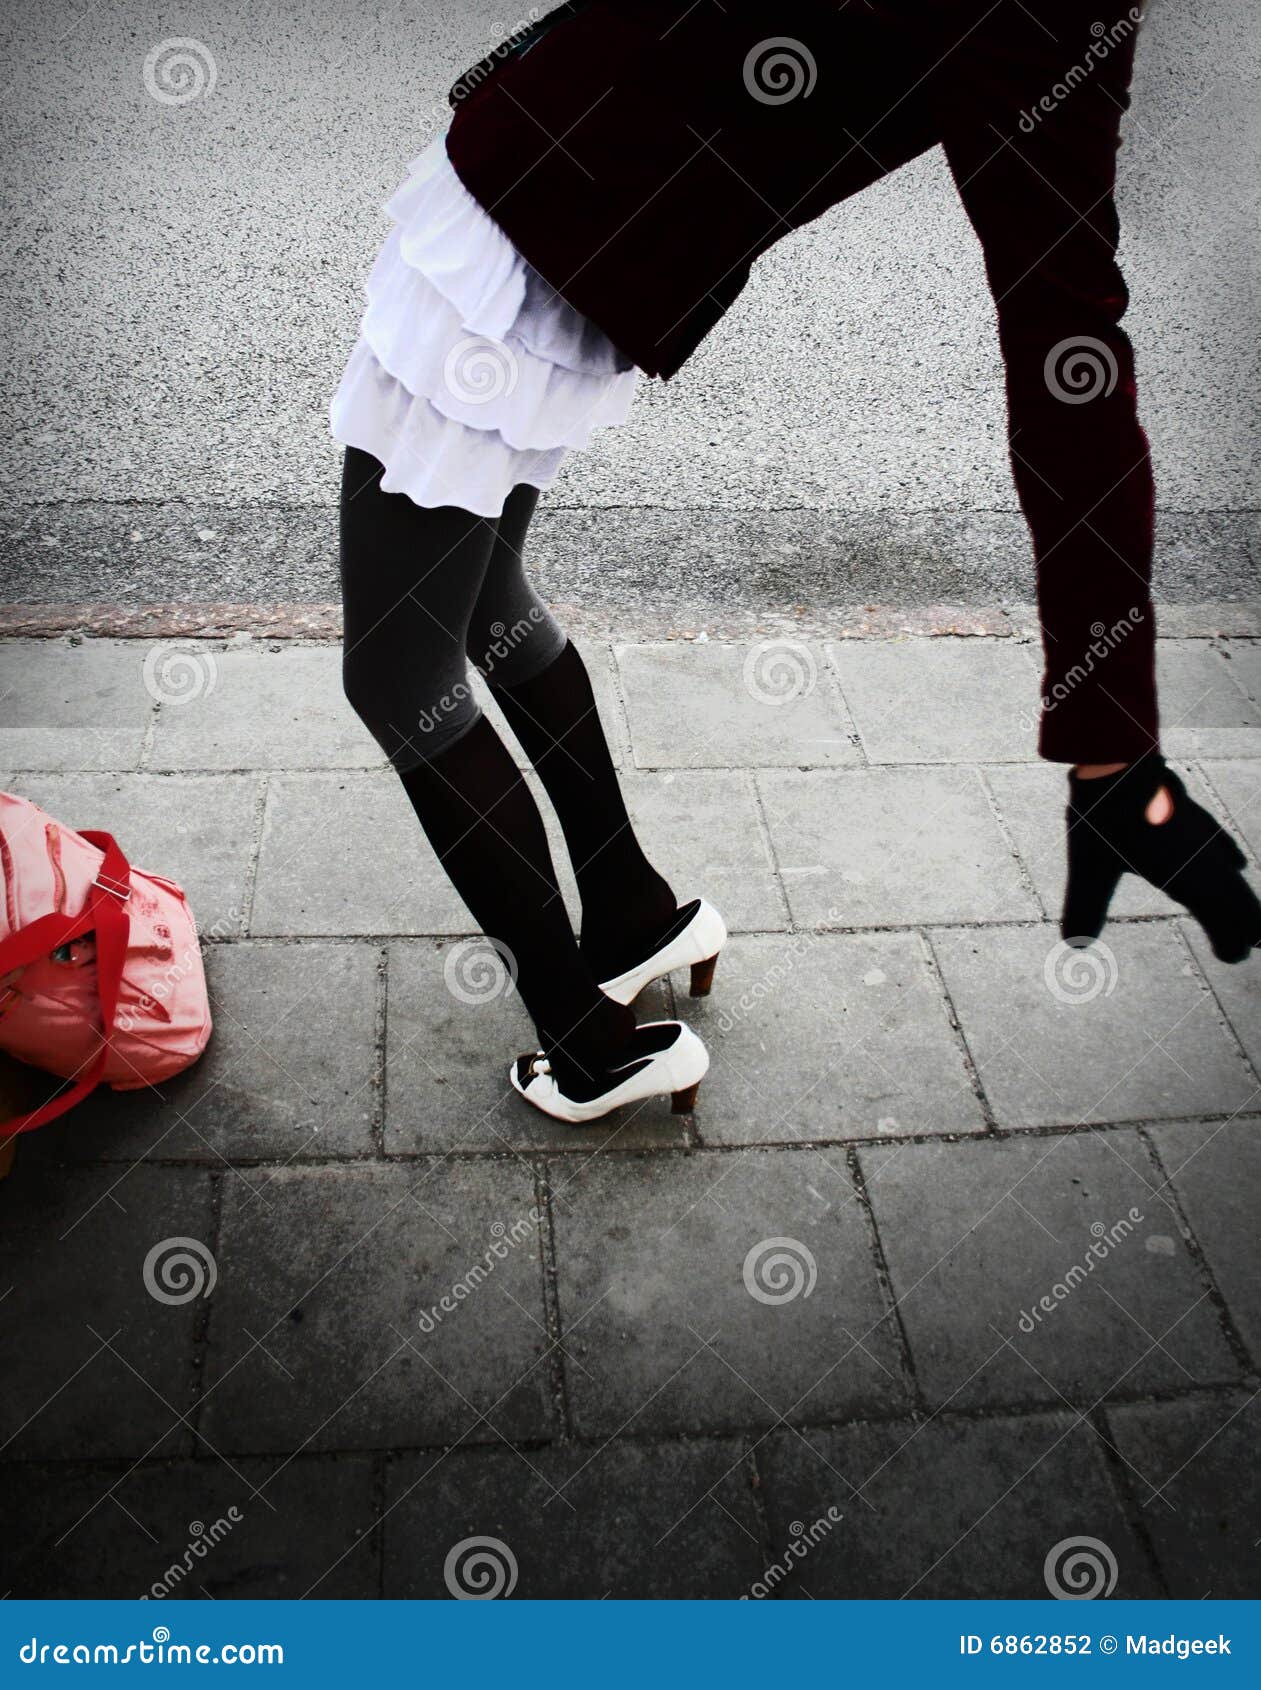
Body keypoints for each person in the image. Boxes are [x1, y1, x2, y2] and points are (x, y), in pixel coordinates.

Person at [331, 0, 1259, 1125]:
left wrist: (1114, 748)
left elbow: (1069, 354)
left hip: (526, 239)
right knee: (483, 603)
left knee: (395, 672)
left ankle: (586, 1045)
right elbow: (1073, 348)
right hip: (576, 235)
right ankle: (630, 913)